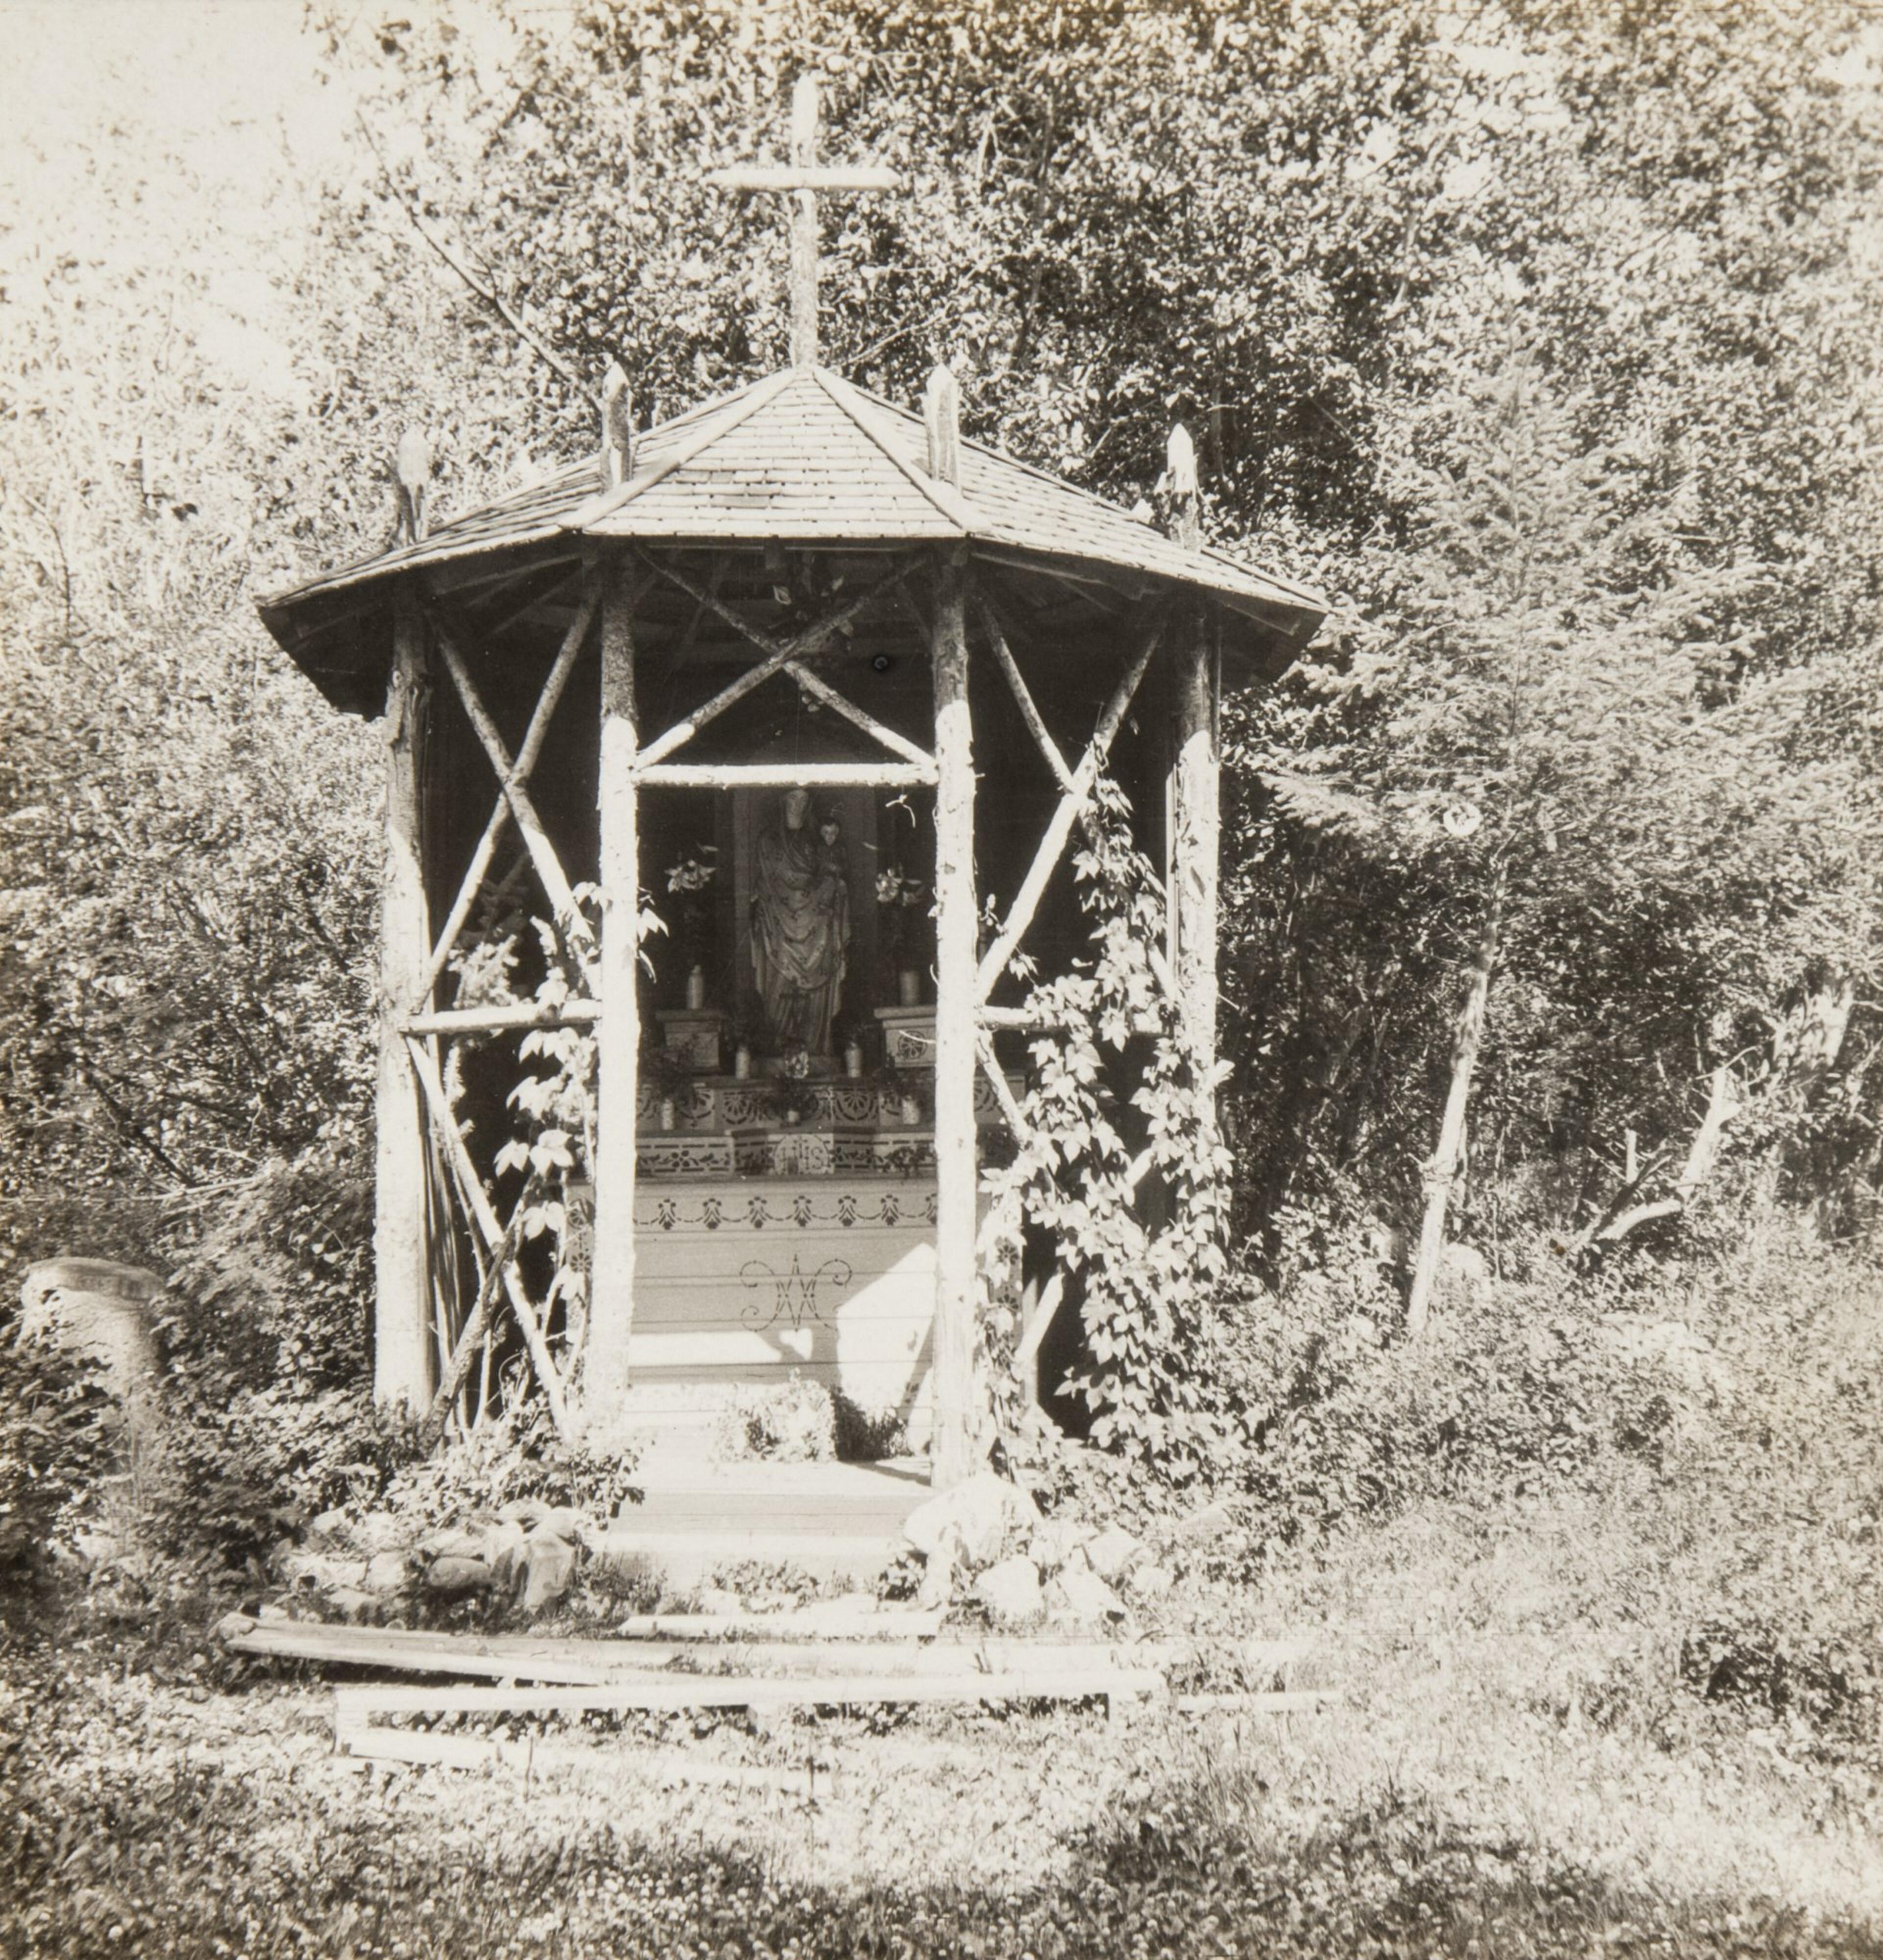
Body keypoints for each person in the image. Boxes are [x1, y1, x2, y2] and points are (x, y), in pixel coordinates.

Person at [751, 787, 849, 1054]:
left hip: (816, 922)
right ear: (783, 801)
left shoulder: (815, 841)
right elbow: (766, 879)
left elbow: (829, 874)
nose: (798, 804)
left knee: (820, 976)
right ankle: (779, 1049)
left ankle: (817, 1045)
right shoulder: (768, 839)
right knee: (779, 987)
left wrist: (829, 890)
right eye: (793, 798)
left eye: (803, 800)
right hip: (778, 923)